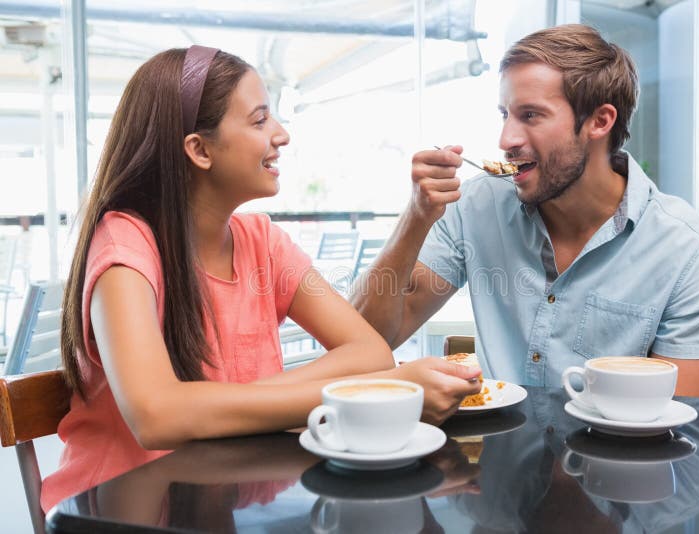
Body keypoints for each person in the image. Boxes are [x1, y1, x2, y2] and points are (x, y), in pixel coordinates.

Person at [42, 46, 480, 512]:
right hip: (117, 510)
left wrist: (207, 404)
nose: (282, 135)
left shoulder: (262, 241)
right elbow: (157, 416)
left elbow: (370, 353)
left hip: (216, 498)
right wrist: (377, 392)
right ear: (199, 149)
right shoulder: (125, 246)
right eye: (258, 121)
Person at [352, 24, 699, 397]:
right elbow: (363, 343)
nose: (506, 140)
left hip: (615, 456)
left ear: (600, 121)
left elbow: (685, 421)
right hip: (496, 450)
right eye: (505, 115)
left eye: (530, 115)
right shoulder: (474, 206)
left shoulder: (686, 250)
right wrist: (416, 217)